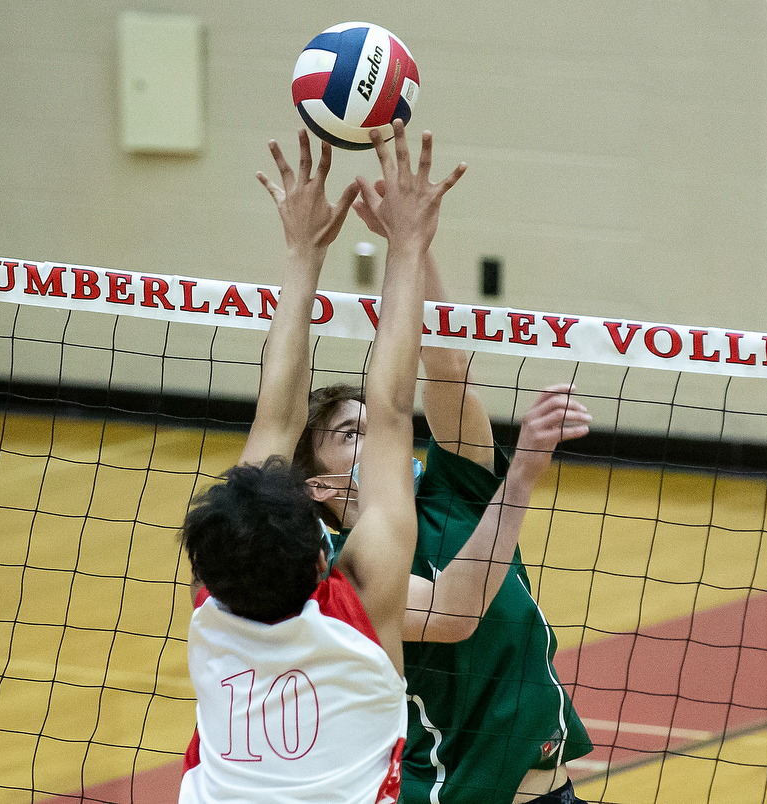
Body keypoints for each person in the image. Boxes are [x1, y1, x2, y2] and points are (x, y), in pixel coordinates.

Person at [178, 121, 467, 804]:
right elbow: (390, 408)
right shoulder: (358, 607)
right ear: (321, 561)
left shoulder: (211, 615)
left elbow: (288, 420)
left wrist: (304, 252)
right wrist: (404, 245)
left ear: (208, 575)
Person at [293, 213, 594, 799]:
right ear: (320, 489)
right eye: (350, 434)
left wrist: (410, 241)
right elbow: (455, 614)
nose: (377, 437)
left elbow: (449, 369)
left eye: (376, 424)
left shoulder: (450, 489)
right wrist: (523, 473)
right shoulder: (337, 571)